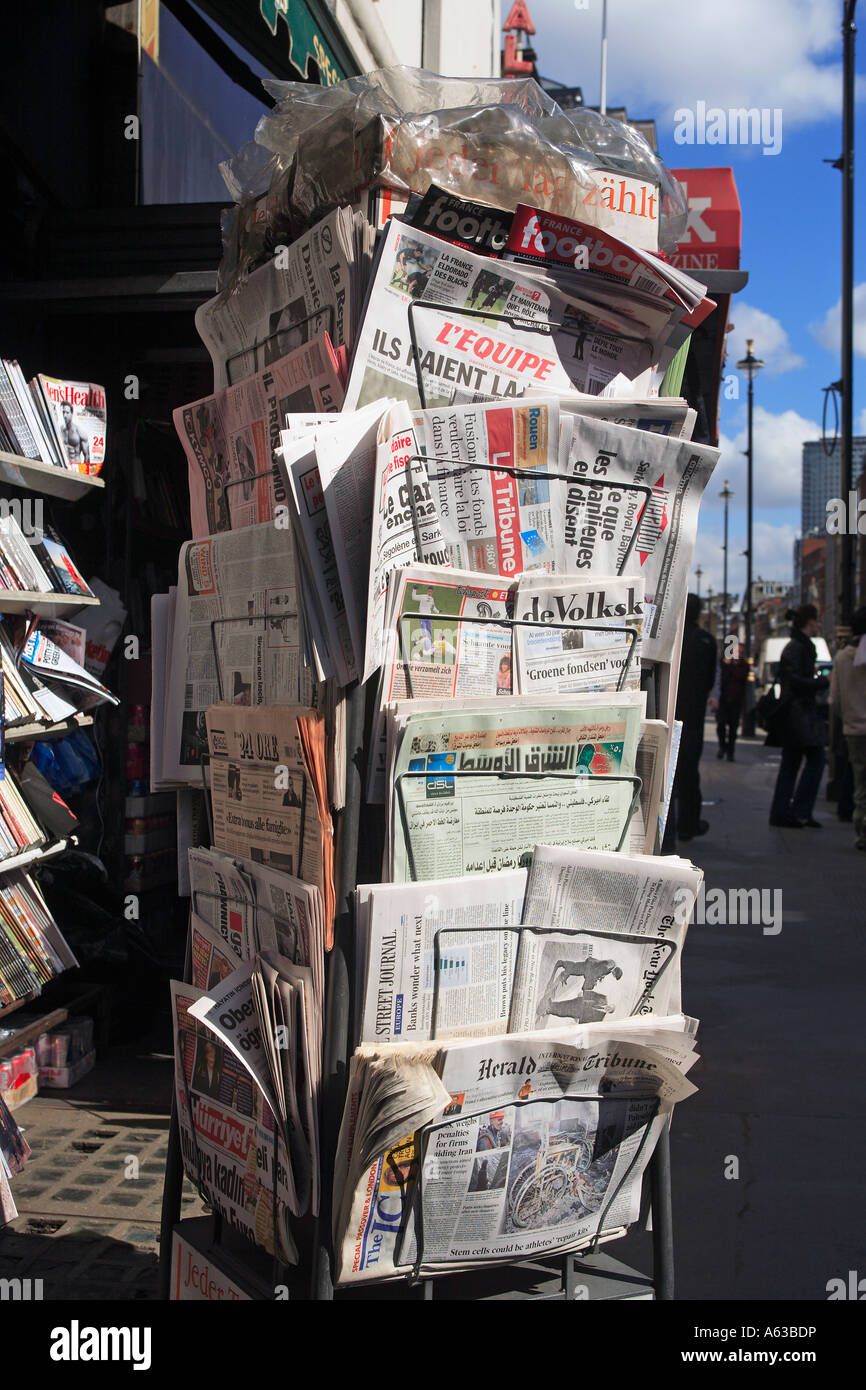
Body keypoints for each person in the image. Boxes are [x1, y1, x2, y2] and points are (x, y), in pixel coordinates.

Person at [767, 605, 829, 828]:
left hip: (797, 714)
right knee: (815, 760)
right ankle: (797, 810)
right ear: (810, 621)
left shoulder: (799, 646)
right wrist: (821, 682)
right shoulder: (797, 647)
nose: (820, 623)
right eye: (817, 619)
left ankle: (787, 812)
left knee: (793, 763)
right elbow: (794, 681)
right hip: (798, 715)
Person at [673, 593, 717, 841]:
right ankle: (688, 824)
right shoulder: (707, 640)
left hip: (671, 712)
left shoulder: (675, 639)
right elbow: (711, 679)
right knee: (690, 773)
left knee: (672, 772)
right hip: (695, 716)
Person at [829, 607, 866, 850]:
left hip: (854, 730)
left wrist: (848, 719)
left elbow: (835, 700)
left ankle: (861, 831)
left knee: (860, 783)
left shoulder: (842, 658)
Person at [717, 641, 749, 760]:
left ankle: (730, 752)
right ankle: (722, 747)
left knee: (733, 729)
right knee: (721, 725)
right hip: (724, 700)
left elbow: (740, 676)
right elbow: (721, 678)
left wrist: (729, 665)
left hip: (736, 701)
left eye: (741, 652)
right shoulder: (724, 664)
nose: (738, 654)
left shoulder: (744, 666)